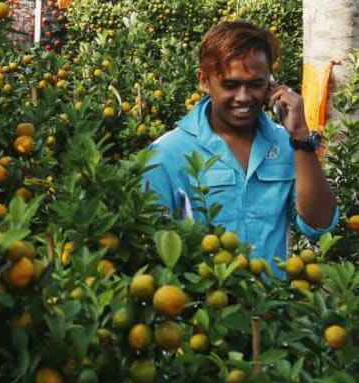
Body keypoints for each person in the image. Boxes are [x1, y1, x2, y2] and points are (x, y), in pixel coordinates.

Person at [142, 20, 338, 272]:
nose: (244, 97)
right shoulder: (166, 154)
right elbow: (147, 248)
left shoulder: (287, 144)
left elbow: (320, 224)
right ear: (204, 81)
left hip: (272, 308)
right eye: (231, 85)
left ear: (271, 83)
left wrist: (300, 135)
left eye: (255, 84)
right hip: (201, 309)